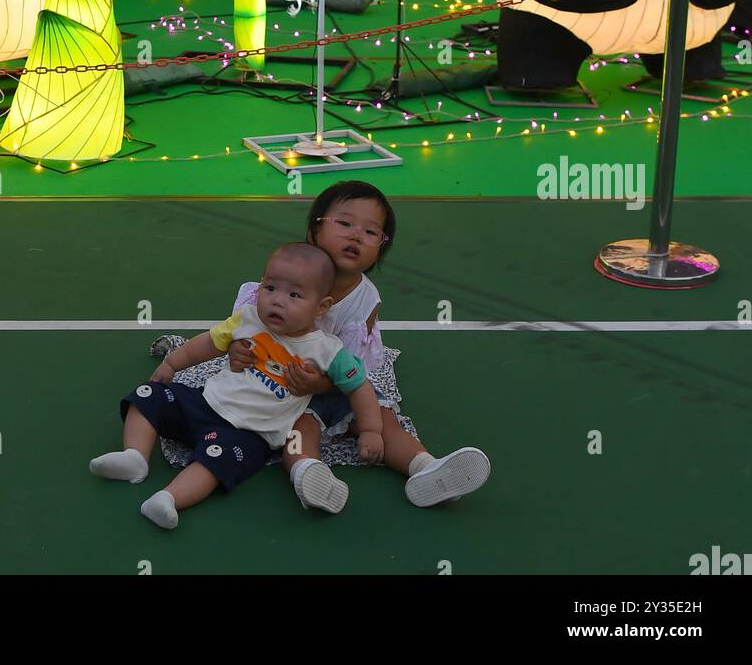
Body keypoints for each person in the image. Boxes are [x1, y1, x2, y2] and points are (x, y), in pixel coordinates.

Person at [228, 181, 491, 513]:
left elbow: (354, 370)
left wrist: (333, 394)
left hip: (337, 381)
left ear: (380, 248)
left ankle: (425, 467)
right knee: (298, 430)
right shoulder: (289, 274)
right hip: (279, 380)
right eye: (344, 223)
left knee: (382, 419)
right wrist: (240, 350)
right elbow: (249, 328)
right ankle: (307, 471)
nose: (355, 236)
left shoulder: (366, 299)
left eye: (370, 232)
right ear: (314, 231)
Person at [89, 242, 383, 529]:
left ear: (321, 307)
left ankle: (168, 499)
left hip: (250, 434)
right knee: (148, 394)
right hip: (205, 403)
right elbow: (207, 343)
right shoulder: (248, 319)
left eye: (294, 295)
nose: (277, 300)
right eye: (270, 288)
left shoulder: (328, 350)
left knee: (216, 460)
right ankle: (135, 457)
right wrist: (171, 364)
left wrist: (371, 430)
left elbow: (359, 386)